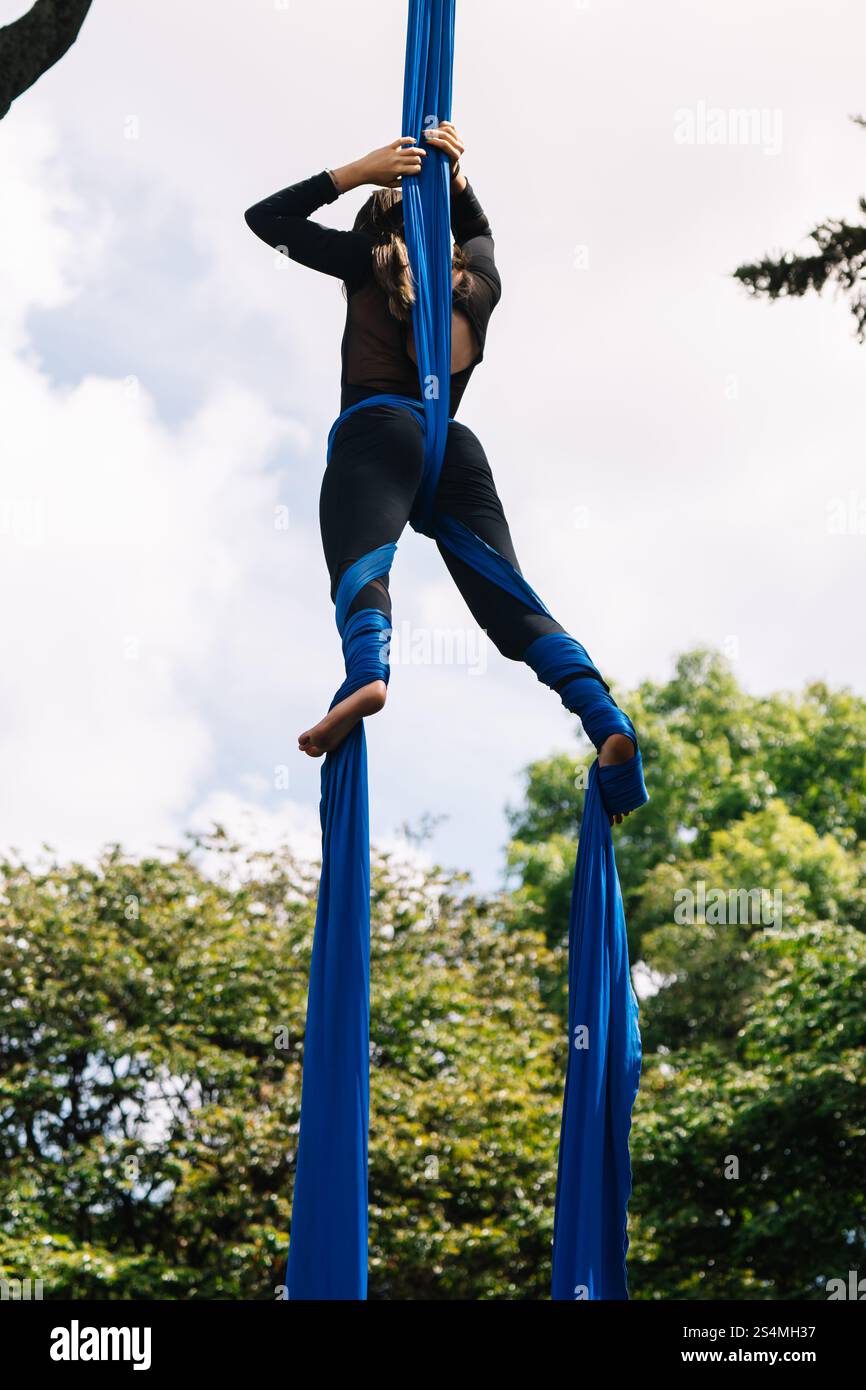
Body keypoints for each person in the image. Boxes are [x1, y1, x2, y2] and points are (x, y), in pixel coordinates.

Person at [244, 124, 639, 822]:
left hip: (378, 431)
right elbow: (478, 227)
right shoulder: (480, 279)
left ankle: (367, 676)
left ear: (378, 219)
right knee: (510, 598)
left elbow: (265, 220)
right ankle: (602, 716)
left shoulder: (363, 261)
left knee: (363, 570)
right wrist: (455, 177)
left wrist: (357, 171)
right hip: (450, 445)